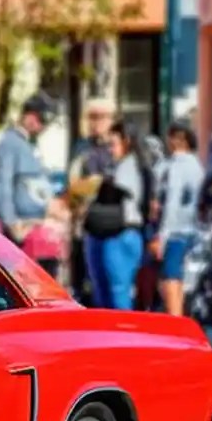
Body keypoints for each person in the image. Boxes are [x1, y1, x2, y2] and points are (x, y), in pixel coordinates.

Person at [82, 121, 148, 310]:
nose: (110, 150)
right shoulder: (120, 165)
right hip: (113, 234)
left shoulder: (129, 166)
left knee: (118, 293)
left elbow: (123, 193)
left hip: (122, 232)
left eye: (113, 144)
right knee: (109, 292)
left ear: (126, 142)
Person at [151, 122, 205, 317]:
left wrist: (161, 236)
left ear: (176, 140)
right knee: (179, 277)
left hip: (174, 230)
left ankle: (175, 321)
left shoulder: (176, 166)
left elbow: (172, 202)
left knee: (169, 277)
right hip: (192, 229)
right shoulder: (197, 165)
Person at [67, 98, 117, 304]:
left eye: (101, 117)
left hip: (111, 224)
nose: (95, 122)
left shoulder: (117, 147)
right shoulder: (81, 148)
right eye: (91, 117)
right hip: (83, 224)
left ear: (113, 119)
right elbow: (71, 184)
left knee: (111, 282)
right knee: (84, 282)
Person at [0, 93, 56, 247]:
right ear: (30, 116)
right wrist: (11, 223)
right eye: (43, 119)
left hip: (33, 227)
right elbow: (2, 186)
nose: (44, 127)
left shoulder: (30, 144)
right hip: (16, 231)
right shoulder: (9, 143)